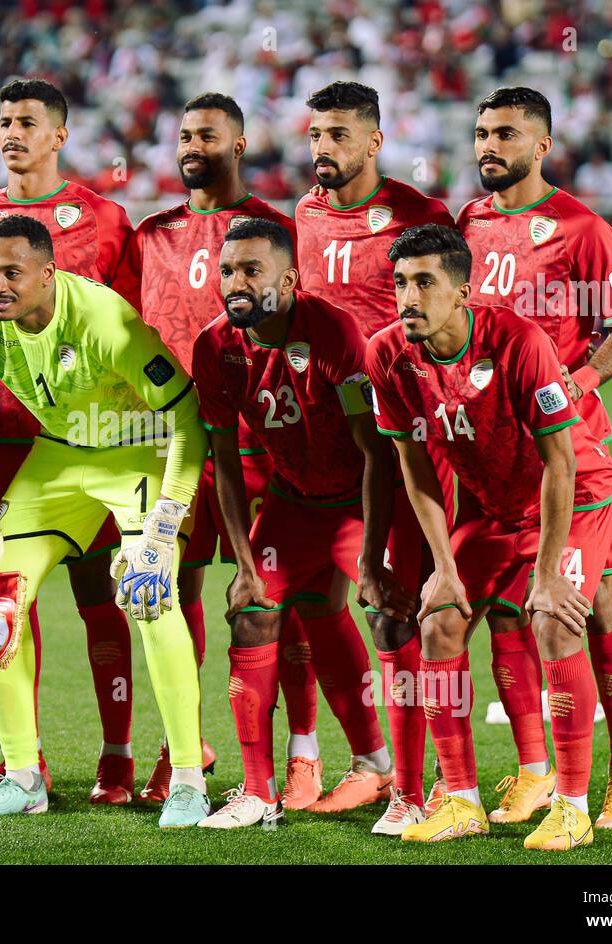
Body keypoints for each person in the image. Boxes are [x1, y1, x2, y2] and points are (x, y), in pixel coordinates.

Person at [0, 215, 209, 828]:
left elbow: (188, 416)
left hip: (141, 446)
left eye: (13, 274)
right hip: (62, 453)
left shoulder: (105, 323)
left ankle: (188, 780)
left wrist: (164, 529)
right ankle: (22, 778)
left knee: (151, 595)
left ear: (48, 274)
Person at [367, 224, 612, 851]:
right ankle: (462, 801)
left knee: (556, 621)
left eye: (426, 282)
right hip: (493, 506)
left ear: (463, 291)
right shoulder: (386, 355)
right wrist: (444, 566)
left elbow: (561, 462)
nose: (409, 298)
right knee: (439, 622)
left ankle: (572, 806)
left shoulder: (518, 340)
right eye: (400, 283)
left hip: (574, 494)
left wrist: (546, 575)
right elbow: (415, 468)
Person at [457, 87, 612, 829]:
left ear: (541, 146)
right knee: (521, 603)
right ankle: (536, 773)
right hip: (491, 456)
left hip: (568, 451)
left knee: (581, 605)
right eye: (480, 133)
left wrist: (580, 380)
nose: (487, 146)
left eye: (504, 133)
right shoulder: (468, 222)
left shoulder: (581, 228)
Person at [191, 217, 413, 829]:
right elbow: (225, 462)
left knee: (391, 618)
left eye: (252, 271)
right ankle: (259, 792)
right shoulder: (215, 347)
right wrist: (241, 562)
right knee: (255, 610)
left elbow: (374, 450)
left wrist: (370, 558)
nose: (235, 283)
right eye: (228, 270)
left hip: (361, 502)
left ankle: (407, 783)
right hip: (292, 505)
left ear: (289, 279)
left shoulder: (335, 331)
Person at [106, 91, 295, 804]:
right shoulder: (150, 233)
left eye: (207, 135)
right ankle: (183, 744)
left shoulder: (278, 230)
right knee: (166, 591)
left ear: (239, 145)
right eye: (183, 135)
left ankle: (291, 755)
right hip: (169, 443)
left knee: (275, 596)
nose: (192, 146)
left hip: (259, 441)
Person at [0, 77, 136, 794]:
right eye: (3, 120)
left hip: (84, 439)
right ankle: (15, 760)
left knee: (99, 594)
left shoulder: (105, 218)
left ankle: (117, 753)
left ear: (59, 135)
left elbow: (130, 324)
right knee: (4, 596)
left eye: (28, 121)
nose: (12, 133)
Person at [293, 80, 458, 827]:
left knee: (415, 613)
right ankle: (386, 772)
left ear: (374, 141)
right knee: (326, 602)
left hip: (407, 442)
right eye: (315, 134)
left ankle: (467, 780)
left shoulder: (421, 217)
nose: (323, 148)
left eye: (337, 134)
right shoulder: (302, 215)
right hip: (326, 446)